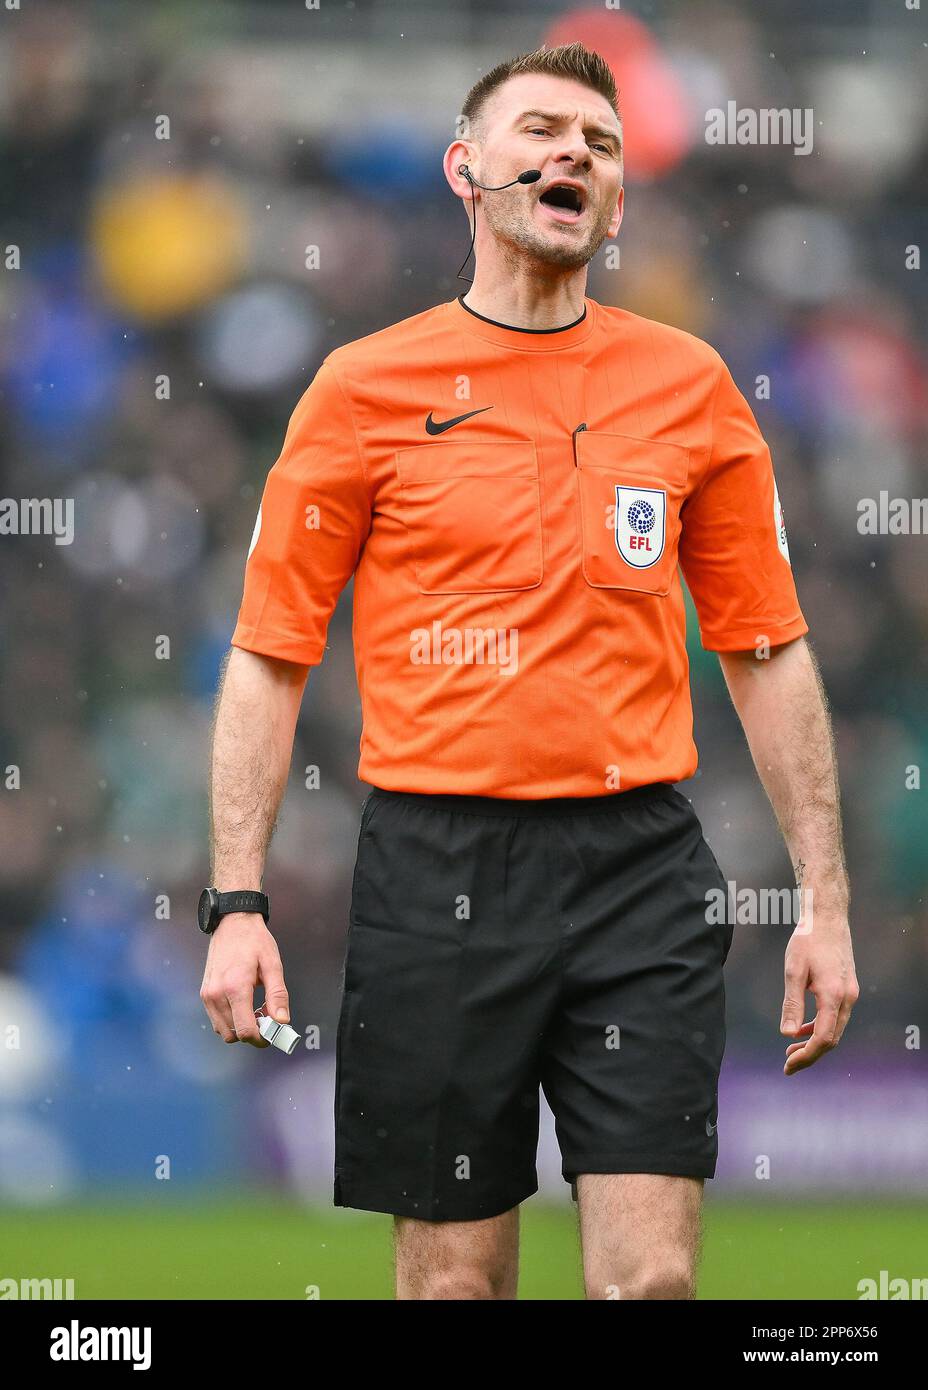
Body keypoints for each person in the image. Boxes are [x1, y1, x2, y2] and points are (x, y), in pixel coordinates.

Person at [199, 42, 858, 1300]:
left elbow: (766, 651)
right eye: (542, 130)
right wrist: (236, 906)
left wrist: (822, 900)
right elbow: (268, 657)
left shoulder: (690, 388)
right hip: (435, 862)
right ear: (466, 170)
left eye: (601, 146)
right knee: (454, 1289)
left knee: (649, 1285)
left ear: (616, 202)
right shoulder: (361, 391)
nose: (575, 155)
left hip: (639, 872)